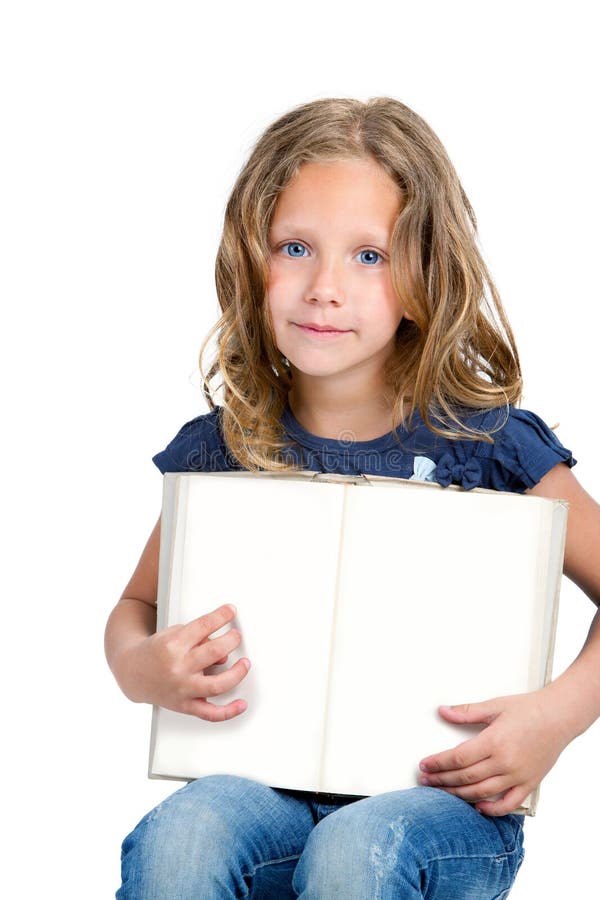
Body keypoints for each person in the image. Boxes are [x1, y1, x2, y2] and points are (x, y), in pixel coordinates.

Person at [105, 96, 600, 899]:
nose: (323, 287)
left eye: (369, 256)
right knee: (186, 835)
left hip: (439, 809)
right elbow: (134, 606)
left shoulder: (492, 446)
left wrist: (559, 716)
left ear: (423, 273)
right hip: (263, 790)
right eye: (295, 247)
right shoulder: (224, 447)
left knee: (357, 849)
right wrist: (141, 667)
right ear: (250, 260)